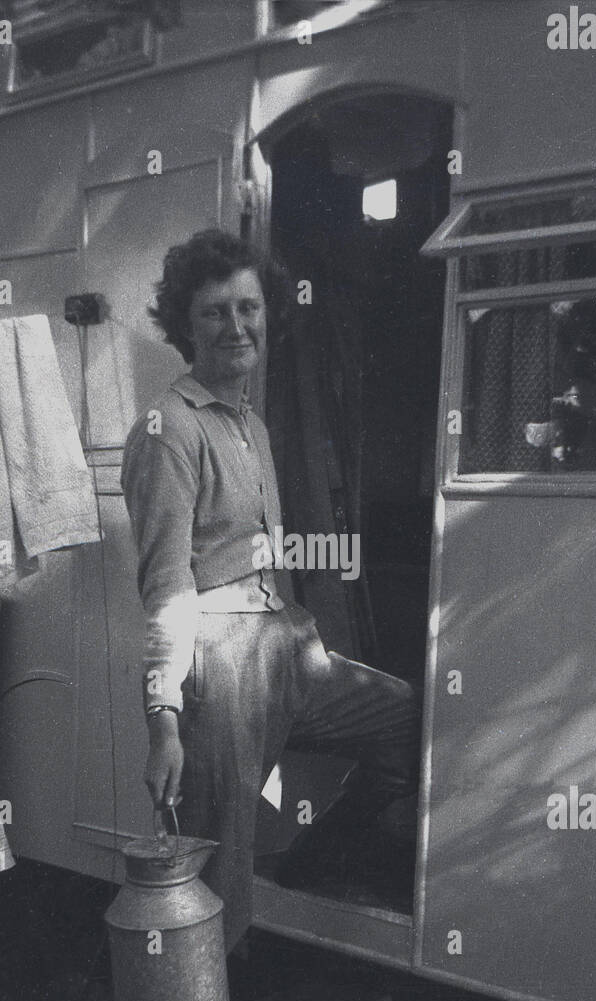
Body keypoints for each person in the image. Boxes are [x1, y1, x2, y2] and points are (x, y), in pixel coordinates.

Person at [120, 228, 422, 950]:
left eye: (248, 309)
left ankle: (319, 860)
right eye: (215, 312)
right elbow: (165, 585)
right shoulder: (170, 429)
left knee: (407, 725)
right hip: (220, 661)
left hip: (285, 643)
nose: (237, 326)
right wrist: (164, 717)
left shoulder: (252, 423)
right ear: (184, 328)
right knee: (218, 857)